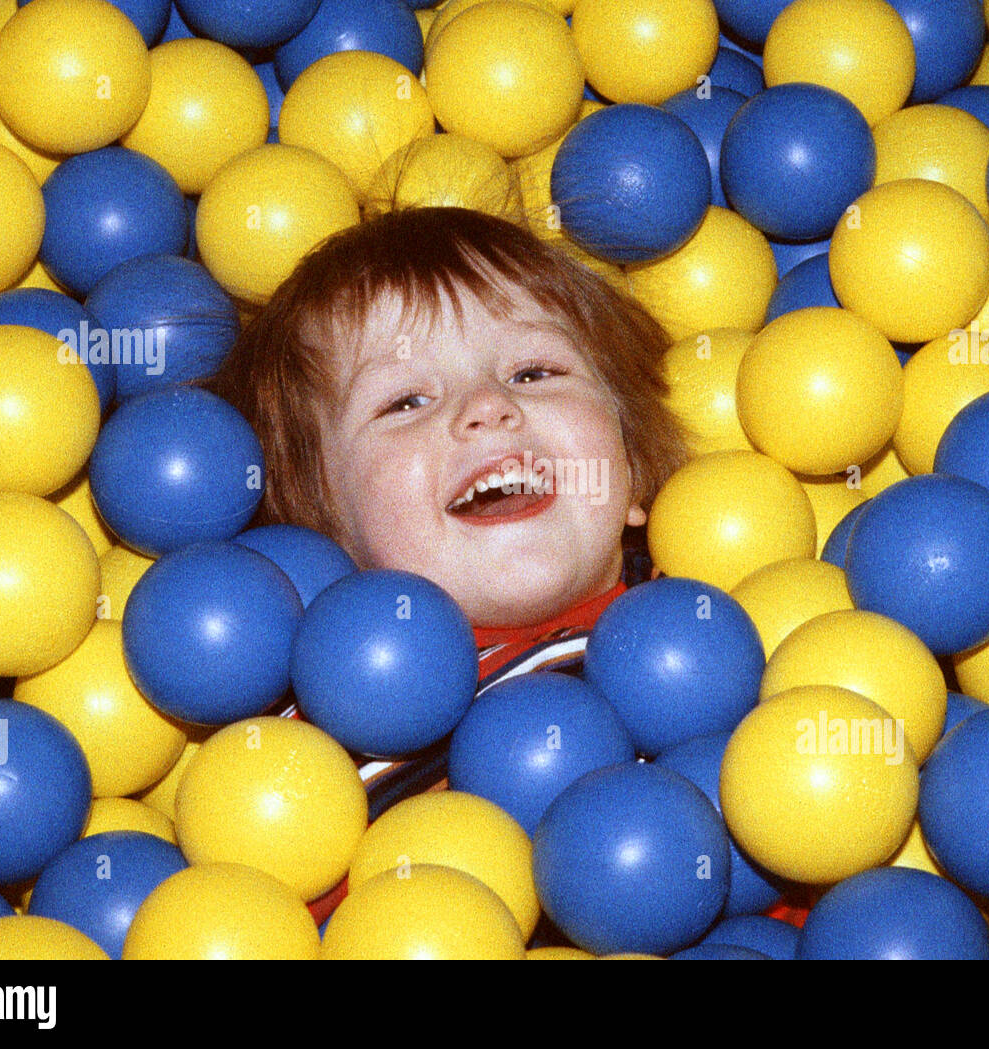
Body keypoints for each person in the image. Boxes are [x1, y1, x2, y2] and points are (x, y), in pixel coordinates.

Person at [199, 205, 700, 928]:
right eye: (406, 400)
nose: (489, 406)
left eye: (535, 371)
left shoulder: (711, 633)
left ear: (632, 476)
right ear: (323, 534)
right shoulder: (315, 750)